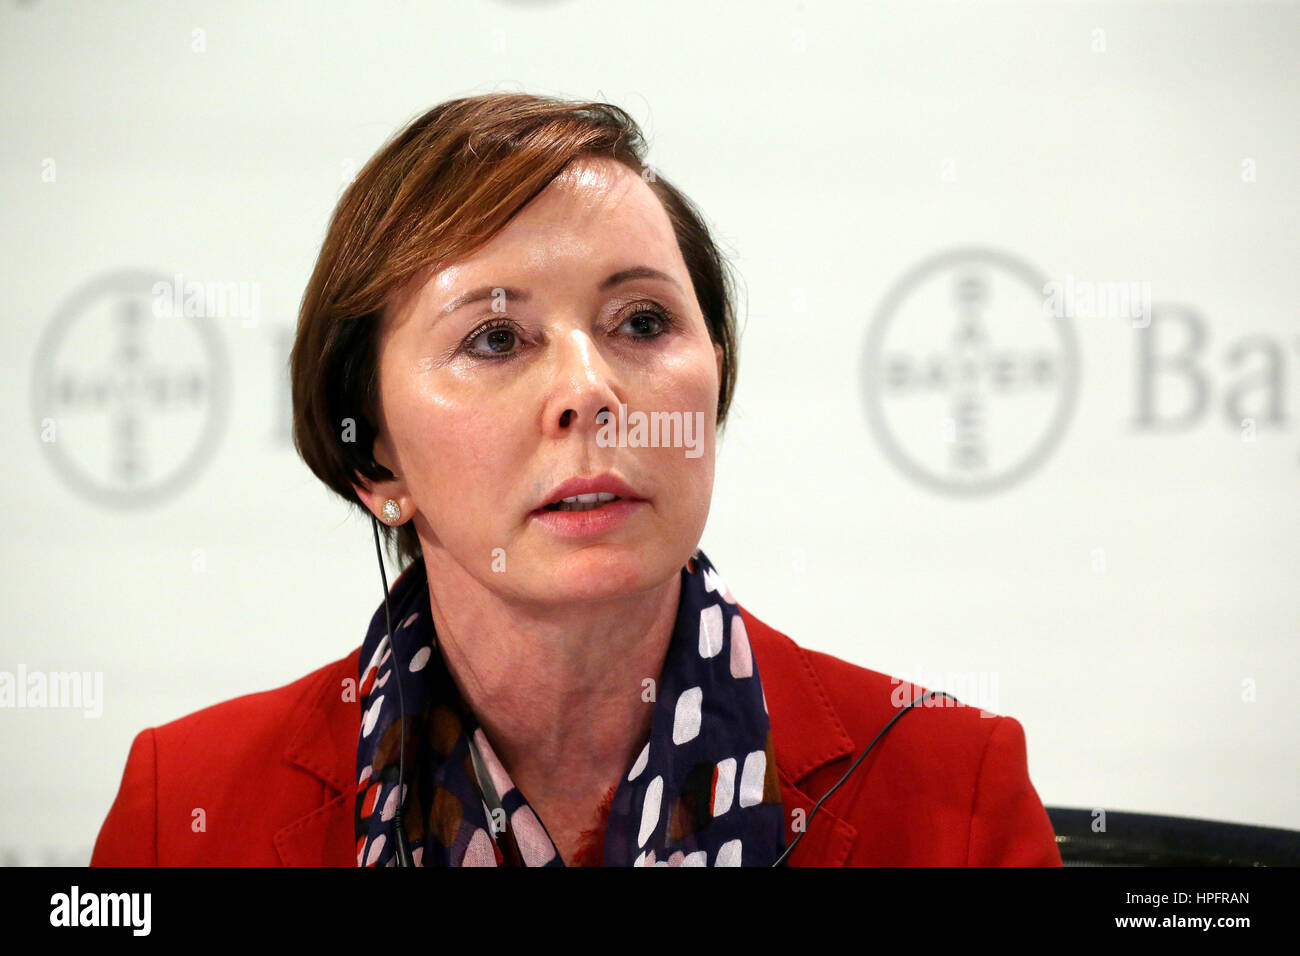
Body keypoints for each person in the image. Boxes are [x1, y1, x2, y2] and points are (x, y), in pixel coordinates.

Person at [91, 92, 1062, 867]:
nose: (589, 391)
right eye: (496, 337)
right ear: (376, 457)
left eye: (641, 322)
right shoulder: (183, 806)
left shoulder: (953, 786)